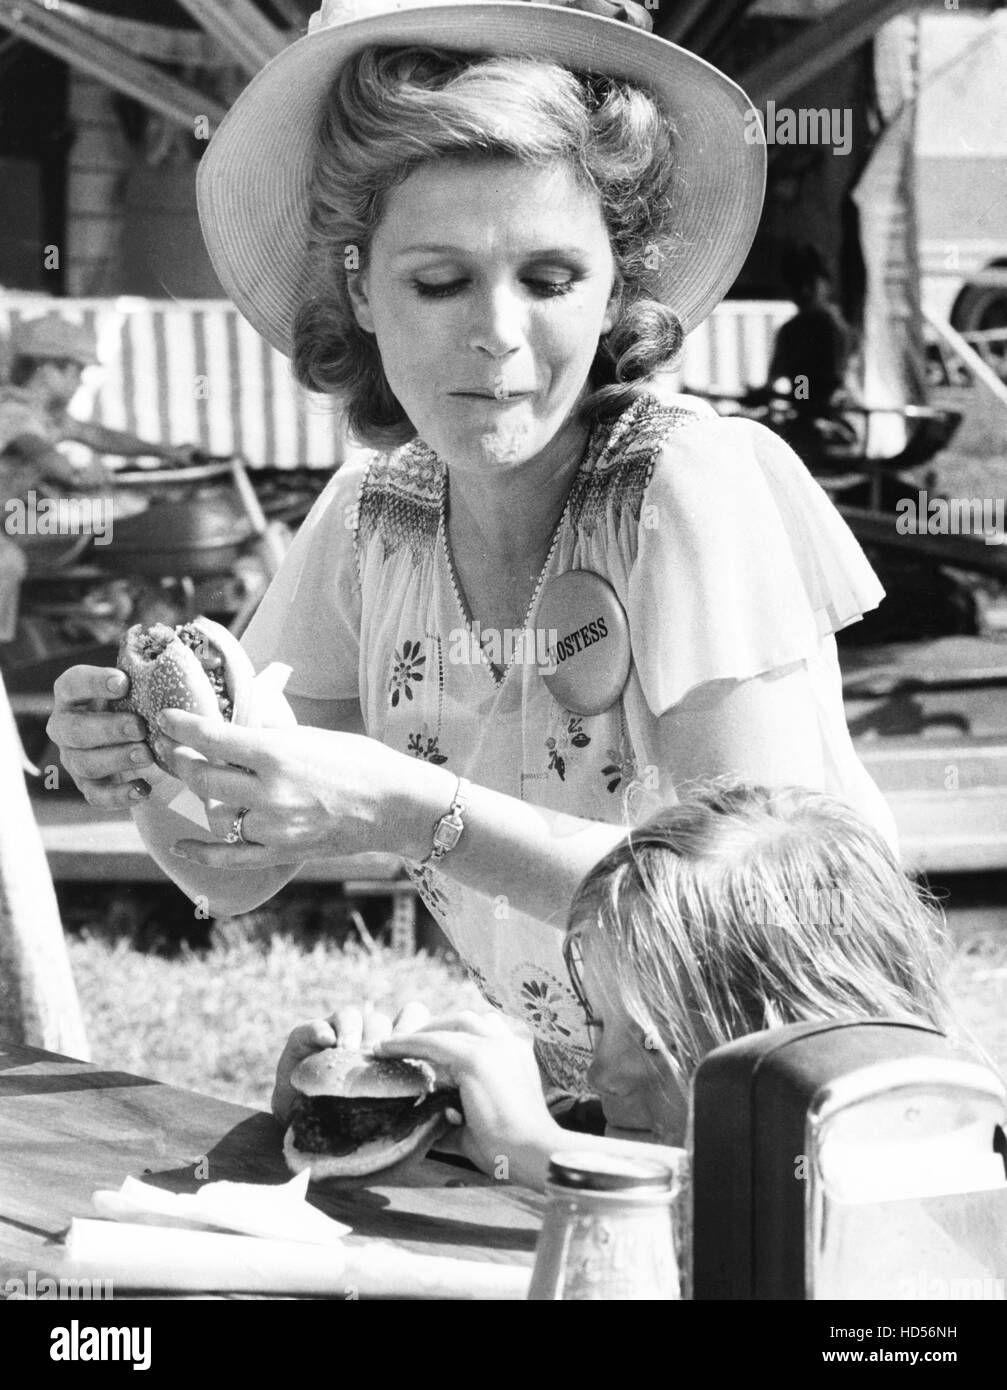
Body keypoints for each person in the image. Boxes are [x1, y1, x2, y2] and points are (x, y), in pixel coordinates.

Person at [47, 0, 898, 1108]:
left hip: (808, 1132)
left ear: (616, 287)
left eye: (548, 280)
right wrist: (148, 776)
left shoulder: (681, 488)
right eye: (437, 281)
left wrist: (409, 809)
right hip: (589, 1127)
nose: (495, 331)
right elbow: (232, 866)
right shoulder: (370, 522)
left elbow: (748, 915)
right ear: (357, 287)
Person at [273, 780, 959, 1189]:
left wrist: (534, 1147)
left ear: (810, 1048)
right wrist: (340, 1113)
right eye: (598, 1024)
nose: (603, 1076)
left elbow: (787, 1204)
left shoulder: (908, 1184)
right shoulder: (602, 1133)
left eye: (654, 1043)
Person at [0, 312, 198, 641]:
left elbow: (99, 436)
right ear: (48, 368)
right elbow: (36, 449)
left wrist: (165, 451)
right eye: (77, 370)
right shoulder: (12, 411)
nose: (80, 381)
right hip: (7, 528)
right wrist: (73, 471)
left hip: (11, 520)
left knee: (104, 523)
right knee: (8, 562)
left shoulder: (48, 416)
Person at [744, 243, 861, 462]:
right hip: (802, 420)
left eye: (809, 283)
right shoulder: (790, 331)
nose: (804, 291)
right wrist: (763, 394)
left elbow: (828, 383)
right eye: (796, 284)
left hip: (837, 421)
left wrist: (797, 396)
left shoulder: (832, 328)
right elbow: (784, 381)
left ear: (824, 284)